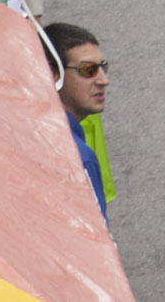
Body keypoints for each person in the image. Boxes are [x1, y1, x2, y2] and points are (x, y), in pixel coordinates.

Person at [48, 27, 116, 226]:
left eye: (103, 67)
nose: (103, 80)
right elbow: (95, 237)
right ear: (53, 74)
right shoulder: (79, 158)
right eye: (88, 70)